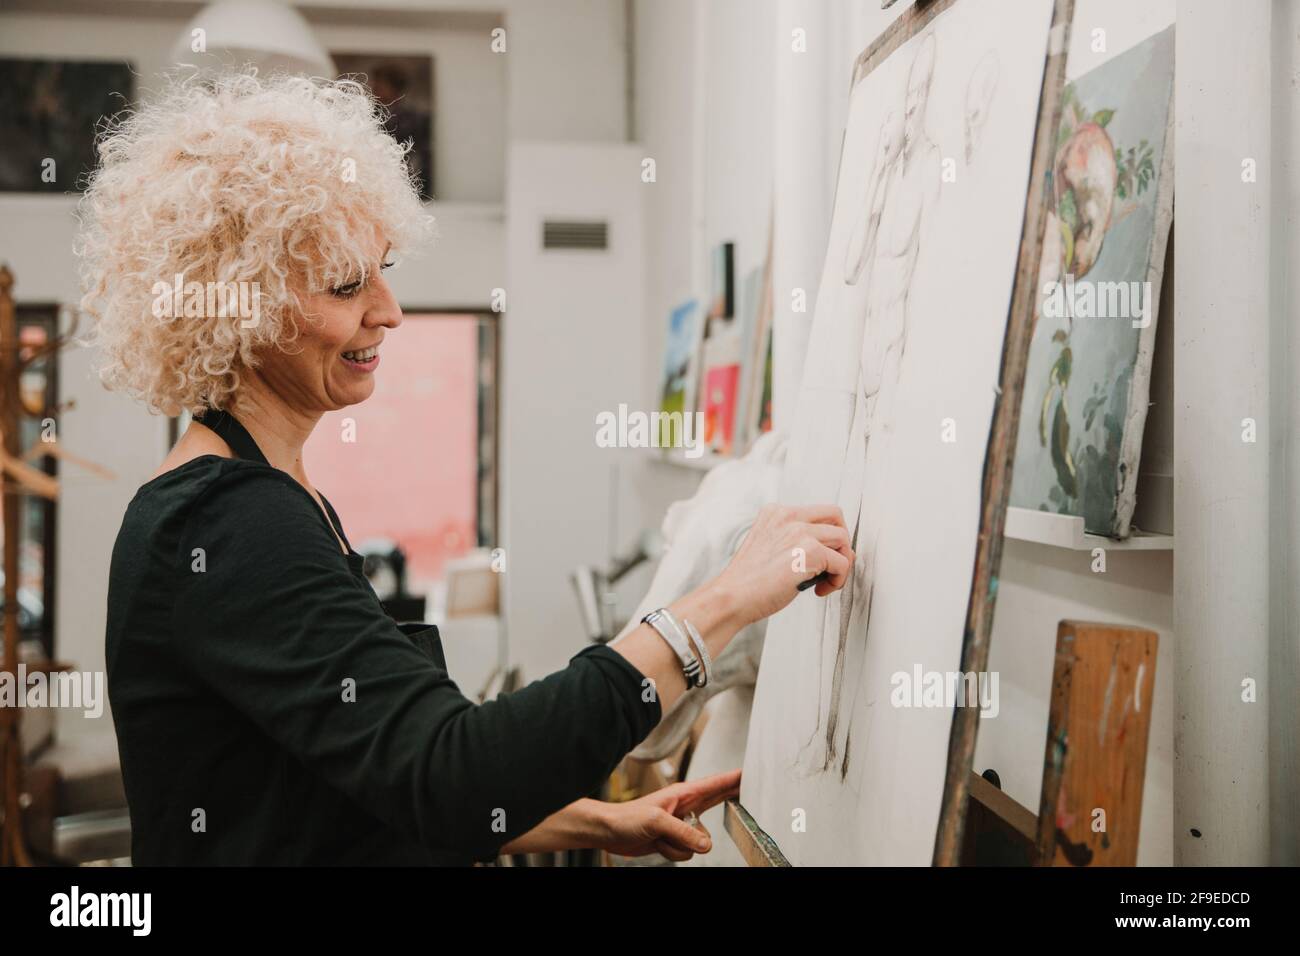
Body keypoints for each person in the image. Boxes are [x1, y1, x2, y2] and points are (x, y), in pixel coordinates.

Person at [80, 71, 854, 865]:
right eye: (347, 284)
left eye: (382, 268)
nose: (389, 309)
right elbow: (456, 773)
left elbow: (359, 774)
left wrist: (591, 821)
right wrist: (722, 599)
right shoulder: (224, 521)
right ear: (239, 308)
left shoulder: (270, 495)